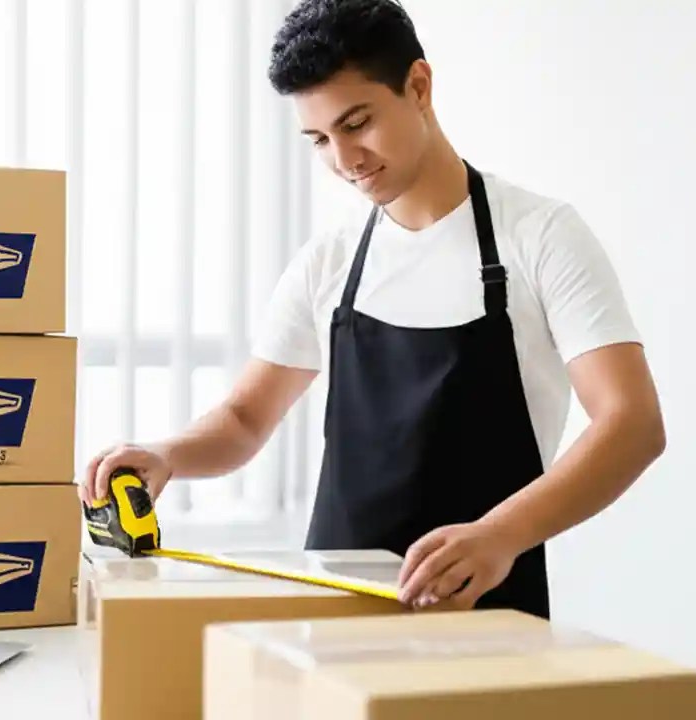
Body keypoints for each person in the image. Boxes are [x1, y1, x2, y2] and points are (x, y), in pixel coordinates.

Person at [78, 0, 665, 618]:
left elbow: (632, 424)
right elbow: (246, 419)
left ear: (419, 87)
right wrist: (168, 454)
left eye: (356, 123)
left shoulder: (541, 237)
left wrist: (501, 535)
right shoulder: (327, 262)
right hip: (331, 618)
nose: (344, 160)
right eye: (319, 140)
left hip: (484, 614)